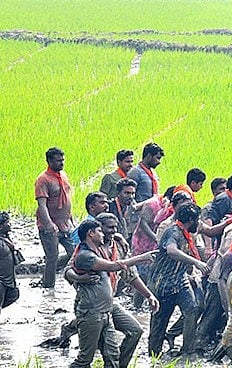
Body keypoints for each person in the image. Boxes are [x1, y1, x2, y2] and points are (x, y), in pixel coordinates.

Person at [68, 220, 152, 368]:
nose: (110, 232)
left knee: (113, 357)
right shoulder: (85, 255)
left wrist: (148, 295)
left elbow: (129, 275)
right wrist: (142, 257)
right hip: (92, 311)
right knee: (84, 360)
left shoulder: (109, 247)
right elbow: (113, 266)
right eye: (101, 230)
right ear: (91, 233)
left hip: (107, 310)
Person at [147, 202, 208, 357]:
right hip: (163, 283)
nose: (199, 223)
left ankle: (188, 351)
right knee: (160, 322)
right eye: (197, 220)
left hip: (180, 281)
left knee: (193, 309)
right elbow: (172, 251)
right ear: (189, 220)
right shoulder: (173, 232)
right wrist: (195, 262)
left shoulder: (187, 234)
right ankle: (154, 356)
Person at [35, 146, 76, 290]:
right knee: (52, 256)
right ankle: (48, 288)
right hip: (50, 226)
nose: (62, 163)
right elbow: (42, 205)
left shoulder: (63, 175)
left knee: (74, 252)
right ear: (49, 161)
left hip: (65, 224)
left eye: (63, 160)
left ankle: (47, 274)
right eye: (58, 161)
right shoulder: (43, 180)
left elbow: (67, 198)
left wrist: (71, 218)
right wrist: (49, 224)